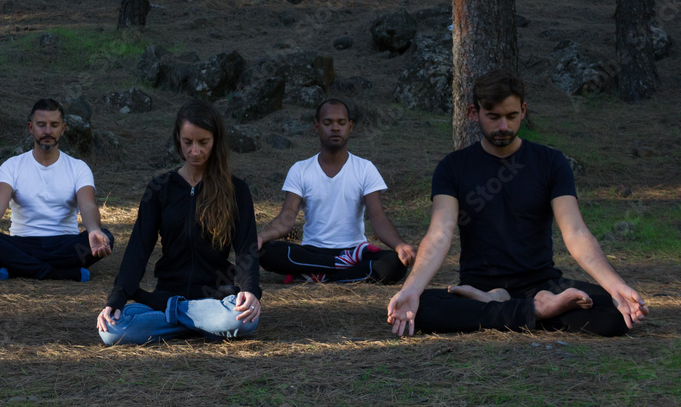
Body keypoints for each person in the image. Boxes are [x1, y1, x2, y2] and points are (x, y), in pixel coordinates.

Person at [387, 70, 649, 338]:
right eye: (494, 117)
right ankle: (537, 310)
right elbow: (440, 233)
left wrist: (616, 286)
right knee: (419, 308)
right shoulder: (452, 167)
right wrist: (411, 288)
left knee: (614, 315)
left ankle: (502, 306)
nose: (503, 126)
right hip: (479, 285)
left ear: (523, 111)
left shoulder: (550, 162)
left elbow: (576, 232)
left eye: (511, 116)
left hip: (541, 282)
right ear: (473, 113)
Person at [97, 100, 261, 345]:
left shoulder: (236, 190)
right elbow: (138, 249)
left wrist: (250, 290)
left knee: (240, 319)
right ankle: (200, 325)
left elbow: (247, 248)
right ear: (178, 139)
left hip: (215, 300)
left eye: (203, 142)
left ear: (215, 141)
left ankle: (174, 318)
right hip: (167, 294)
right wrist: (117, 298)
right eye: (188, 142)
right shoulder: (159, 188)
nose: (194, 151)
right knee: (110, 331)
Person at [257, 98, 415, 284]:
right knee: (266, 252)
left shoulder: (365, 168)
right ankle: (339, 269)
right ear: (317, 126)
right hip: (312, 251)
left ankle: (314, 273)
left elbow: (378, 217)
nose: (335, 128)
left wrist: (399, 245)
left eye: (341, 123)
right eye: (327, 123)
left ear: (350, 126)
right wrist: (261, 237)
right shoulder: (300, 169)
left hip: (354, 251)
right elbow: (286, 219)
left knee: (393, 263)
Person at [0, 99, 114, 281]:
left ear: (63, 129)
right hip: (22, 243)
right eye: (41, 125)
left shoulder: (79, 167)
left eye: (54, 125)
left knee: (106, 236)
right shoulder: (12, 166)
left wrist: (94, 230)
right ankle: (60, 272)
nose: (48, 131)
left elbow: (87, 204)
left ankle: (20, 267)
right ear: (31, 128)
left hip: (65, 243)